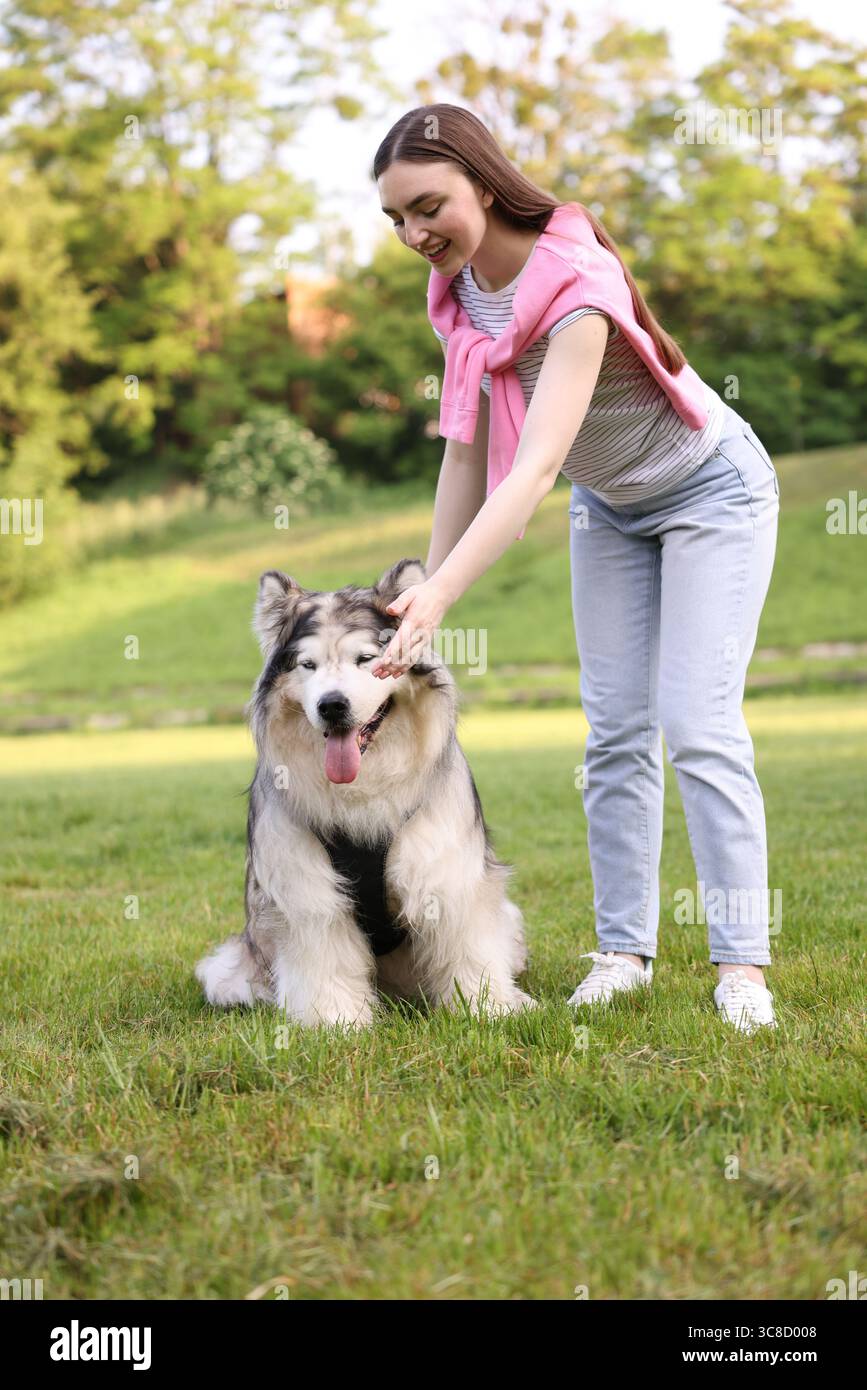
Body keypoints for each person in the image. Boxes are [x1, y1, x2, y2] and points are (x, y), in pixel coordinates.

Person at [370, 104, 780, 1034]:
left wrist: (442, 593)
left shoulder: (577, 286)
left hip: (709, 489)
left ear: (481, 179)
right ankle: (623, 952)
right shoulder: (460, 293)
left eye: (427, 206)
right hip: (613, 507)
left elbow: (535, 467)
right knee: (614, 730)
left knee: (698, 721)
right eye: (394, 218)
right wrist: (419, 596)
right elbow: (466, 455)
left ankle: (742, 968)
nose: (412, 233)